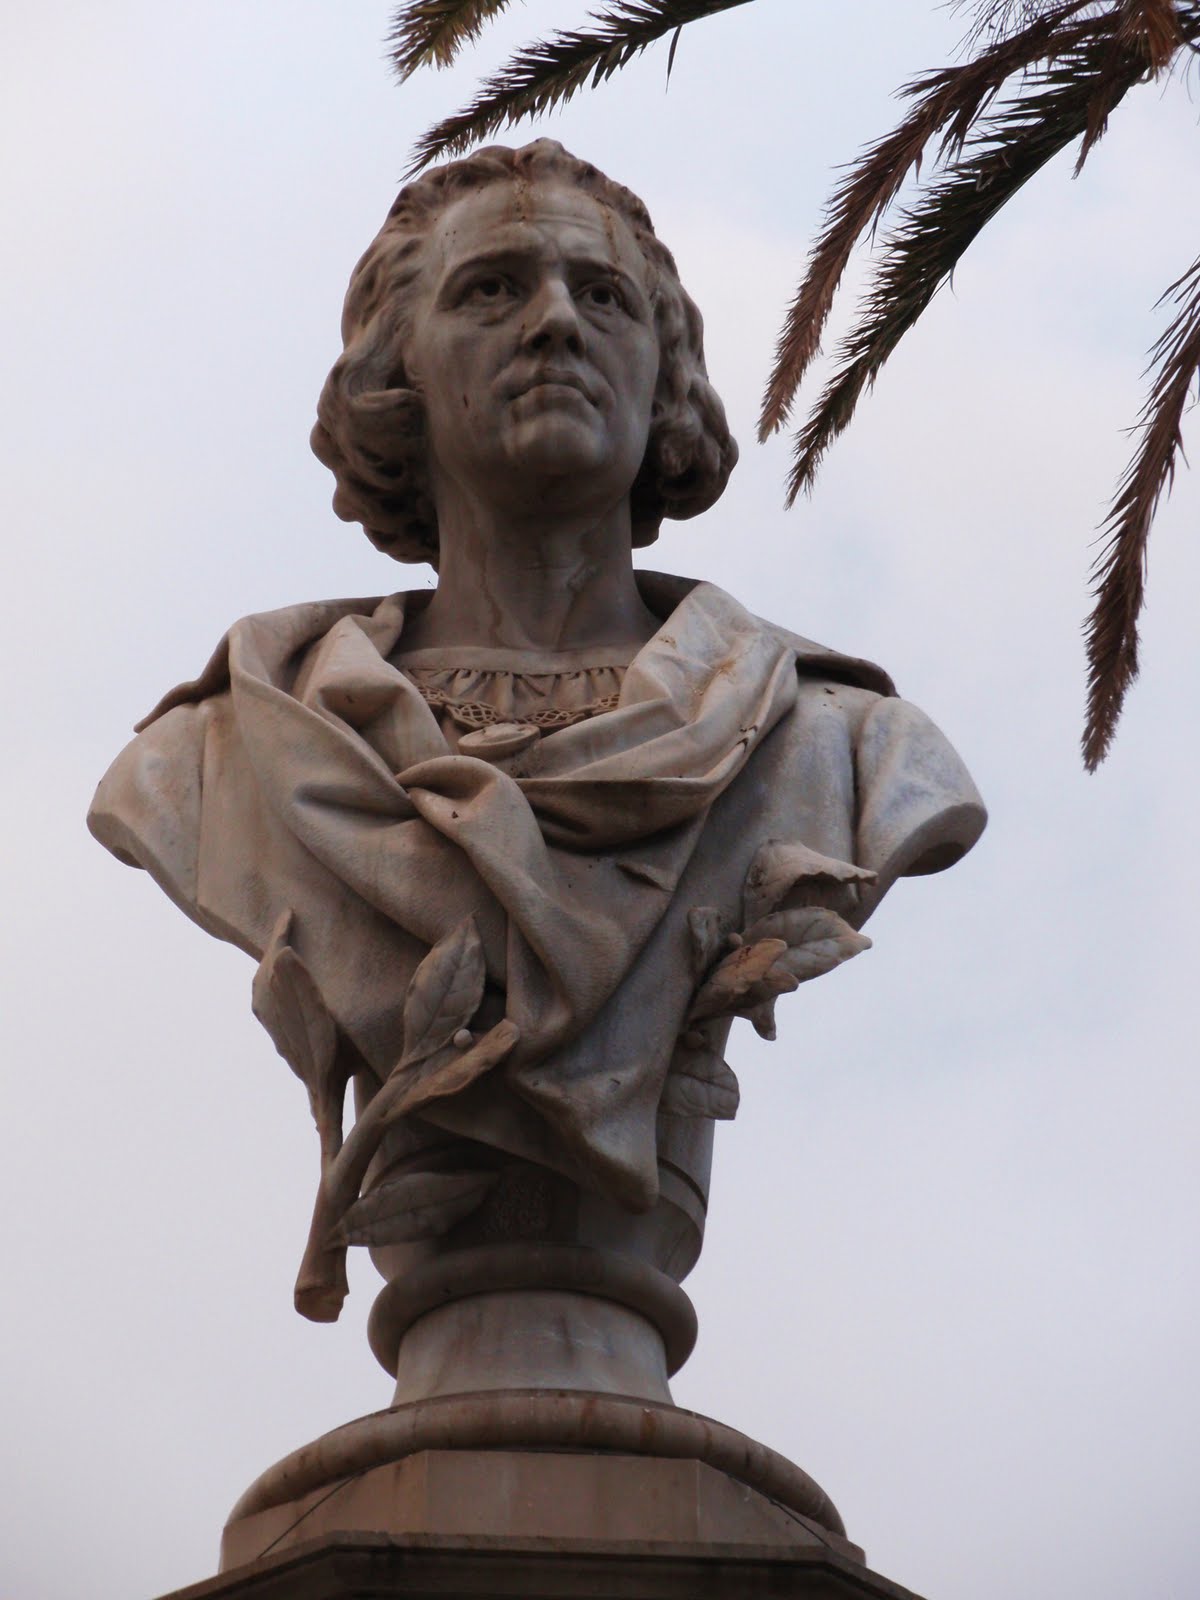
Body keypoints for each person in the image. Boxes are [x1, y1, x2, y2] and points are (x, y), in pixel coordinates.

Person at [89, 142, 985, 1312]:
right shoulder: (221, 755)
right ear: (393, 369)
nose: (555, 321)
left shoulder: (839, 749)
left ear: (665, 374)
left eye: (601, 294)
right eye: (493, 288)